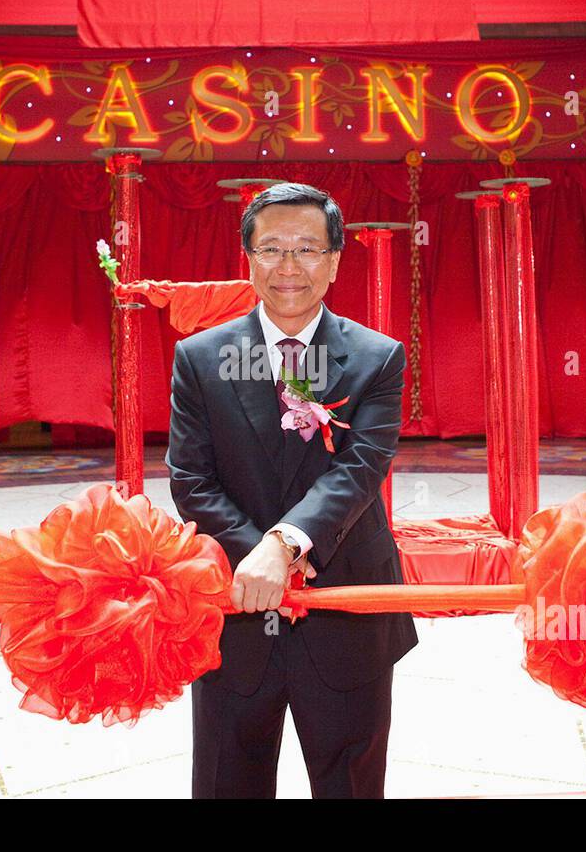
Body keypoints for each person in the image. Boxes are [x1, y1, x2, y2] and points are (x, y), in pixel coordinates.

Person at [166, 182, 417, 799]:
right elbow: (192, 479)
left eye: (307, 248)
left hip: (346, 606)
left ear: (334, 261)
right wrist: (257, 557)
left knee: (351, 787)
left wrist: (284, 547)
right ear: (248, 258)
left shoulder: (377, 357)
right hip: (235, 607)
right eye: (272, 248)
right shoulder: (200, 357)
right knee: (228, 783)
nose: (289, 266)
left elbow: (360, 468)